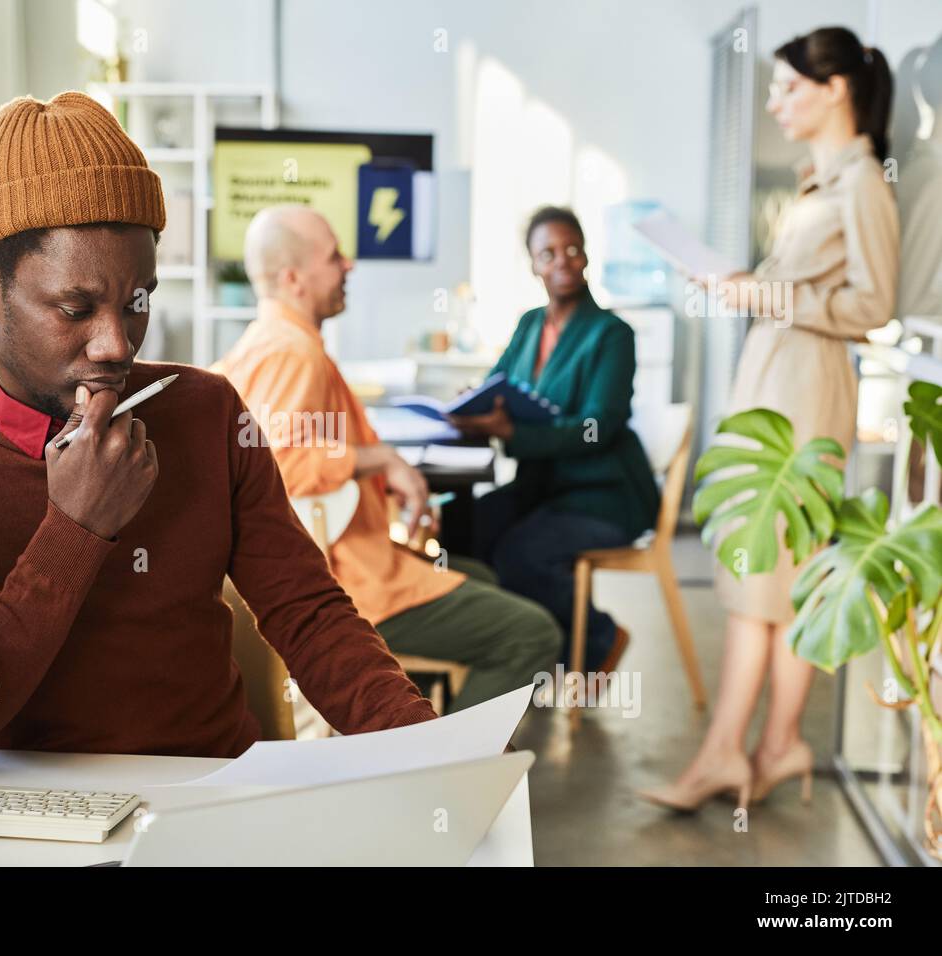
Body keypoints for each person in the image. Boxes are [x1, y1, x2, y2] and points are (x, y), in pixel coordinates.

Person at [0, 93, 439, 773]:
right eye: (76, 308)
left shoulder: (207, 413)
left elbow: (310, 614)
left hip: (210, 799)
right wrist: (75, 530)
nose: (115, 345)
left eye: (137, 302)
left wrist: (435, 754)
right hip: (17, 823)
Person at [640, 27, 899, 811]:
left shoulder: (862, 186)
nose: (775, 102)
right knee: (768, 587)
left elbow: (875, 306)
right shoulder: (821, 183)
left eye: (787, 87)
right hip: (776, 389)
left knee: (766, 585)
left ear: (836, 90)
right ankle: (771, 749)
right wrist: (750, 285)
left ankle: (736, 754)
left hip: (807, 395)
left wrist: (768, 294)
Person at [214, 205, 561, 711]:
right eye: (334, 257)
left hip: (350, 558)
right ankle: (449, 773)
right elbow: (277, 464)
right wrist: (379, 459)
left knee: (481, 575)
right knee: (531, 635)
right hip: (345, 586)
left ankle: (423, 724)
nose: (349, 265)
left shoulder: (260, 344)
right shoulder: (294, 353)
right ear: (294, 278)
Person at [450, 206, 660, 676]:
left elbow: (598, 428)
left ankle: (598, 640)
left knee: (520, 553)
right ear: (533, 265)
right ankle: (508, 649)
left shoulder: (611, 334)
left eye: (572, 250)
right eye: (548, 253)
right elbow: (495, 385)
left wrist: (515, 433)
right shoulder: (529, 325)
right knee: (462, 530)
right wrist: (475, 409)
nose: (562, 261)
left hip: (603, 497)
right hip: (541, 489)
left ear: (585, 257)